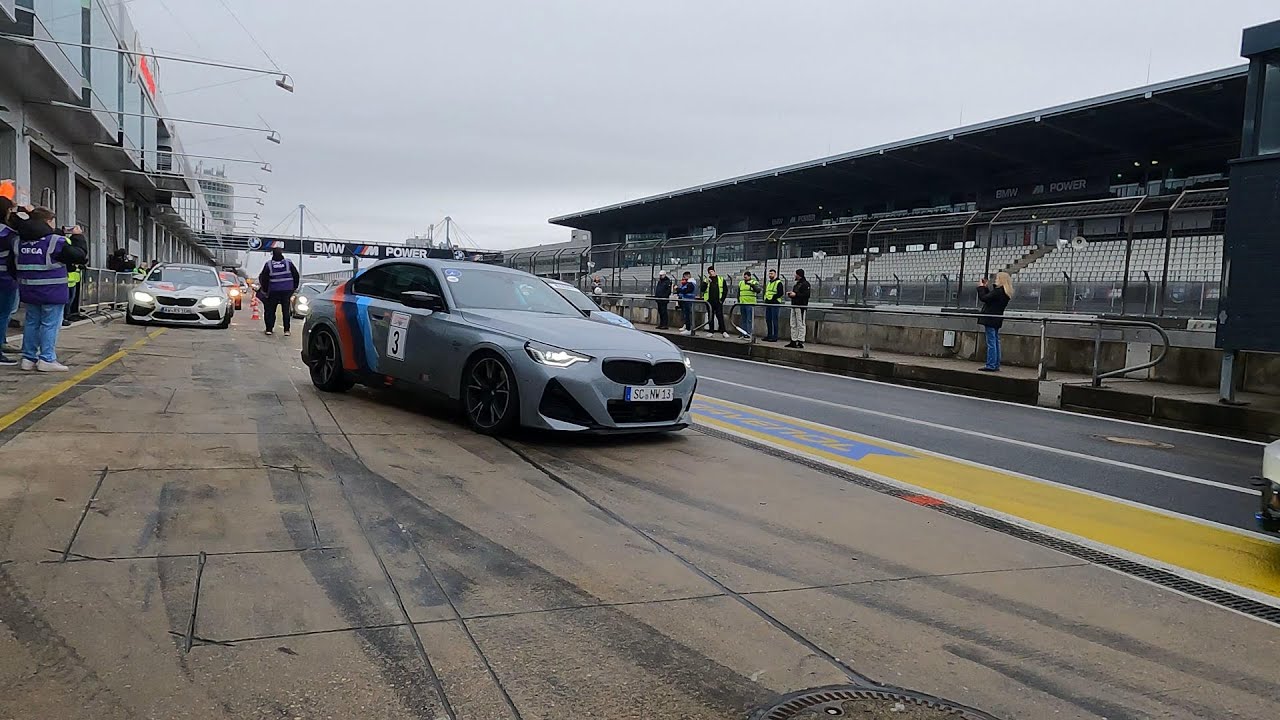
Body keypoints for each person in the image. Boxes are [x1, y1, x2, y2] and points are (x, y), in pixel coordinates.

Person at [6, 206, 88, 372]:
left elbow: (11, 267)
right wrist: (78, 237)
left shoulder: (18, 241)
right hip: (52, 291)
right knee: (50, 324)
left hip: (29, 291)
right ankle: (47, 358)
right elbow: (79, 255)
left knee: (32, 323)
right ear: (48, 222)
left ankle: (28, 358)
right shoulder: (55, 241)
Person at [977, 272, 1013, 372]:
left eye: (997, 278)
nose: (995, 280)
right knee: (996, 341)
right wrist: (986, 288)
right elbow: (990, 298)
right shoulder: (1005, 292)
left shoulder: (998, 291)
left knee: (991, 342)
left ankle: (991, 364)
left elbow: (984, 298)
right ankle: (995, 364)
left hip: (990, 318)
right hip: (997, 318)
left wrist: (981, 288)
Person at [258, 248, 300, 336]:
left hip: (273, 291)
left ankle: (269, 329)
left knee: (270, 310)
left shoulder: (269, 264)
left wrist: (265, 291)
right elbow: (296, 275)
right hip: (287, 290)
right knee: (285, 310)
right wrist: (294, 288)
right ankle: (286, 330)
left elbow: (264, 278)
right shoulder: (288, 263)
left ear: (272, 254)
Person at [0, 195, 19, 363]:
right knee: (3, 314)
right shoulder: (8, 233)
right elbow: (16, 255)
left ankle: (3, 342)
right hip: (5, 279)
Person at [700, 265, 729, 338]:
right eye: (709, 272)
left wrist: (722, 300)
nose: (711, 273)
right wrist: (706, 282)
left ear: (715, 272)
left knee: (720, 316)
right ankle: (711, 331)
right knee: (710, 316)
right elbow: (702, 289)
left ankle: (723, 331)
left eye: (712, 271)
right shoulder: (706, 280)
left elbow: (725, 290)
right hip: (709, 301)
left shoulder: (721, 279)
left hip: (718, 301)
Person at [786, 268, 811, 349]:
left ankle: (800, 341)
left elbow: (806, 295)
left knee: (800, 324)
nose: (795, 275)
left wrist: (795, 295)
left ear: (799, 275)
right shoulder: (797, 284)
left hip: (801, 307)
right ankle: (793, 340)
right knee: (793, 323)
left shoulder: (805, 284)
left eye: (796, 274)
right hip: (794, 306)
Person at [736, 270, 760, 339]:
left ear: (749, 277)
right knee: (743, 319)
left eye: (746, 277)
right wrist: (738, 300)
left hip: (750, 303)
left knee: (749, 319)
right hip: (742, 303)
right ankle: (743, 333)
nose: (745, 279)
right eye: (744, 277)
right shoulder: (741, 283)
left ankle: (748, 333)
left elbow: (758, 290)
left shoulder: (754, 282)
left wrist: (752, 285)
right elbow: (739, 292)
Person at [762, 268, 784, 342]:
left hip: (775, 303)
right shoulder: (769, 283)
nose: (770, 275)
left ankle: (775, 336)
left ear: (775, 274)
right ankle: (769, 335)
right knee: (768, 320)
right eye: (769, 273)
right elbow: (767, 292)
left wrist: (772, 298)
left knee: (774, 320)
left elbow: (780, 293)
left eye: (771, 273)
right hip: (768, 303)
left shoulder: (778, 282)